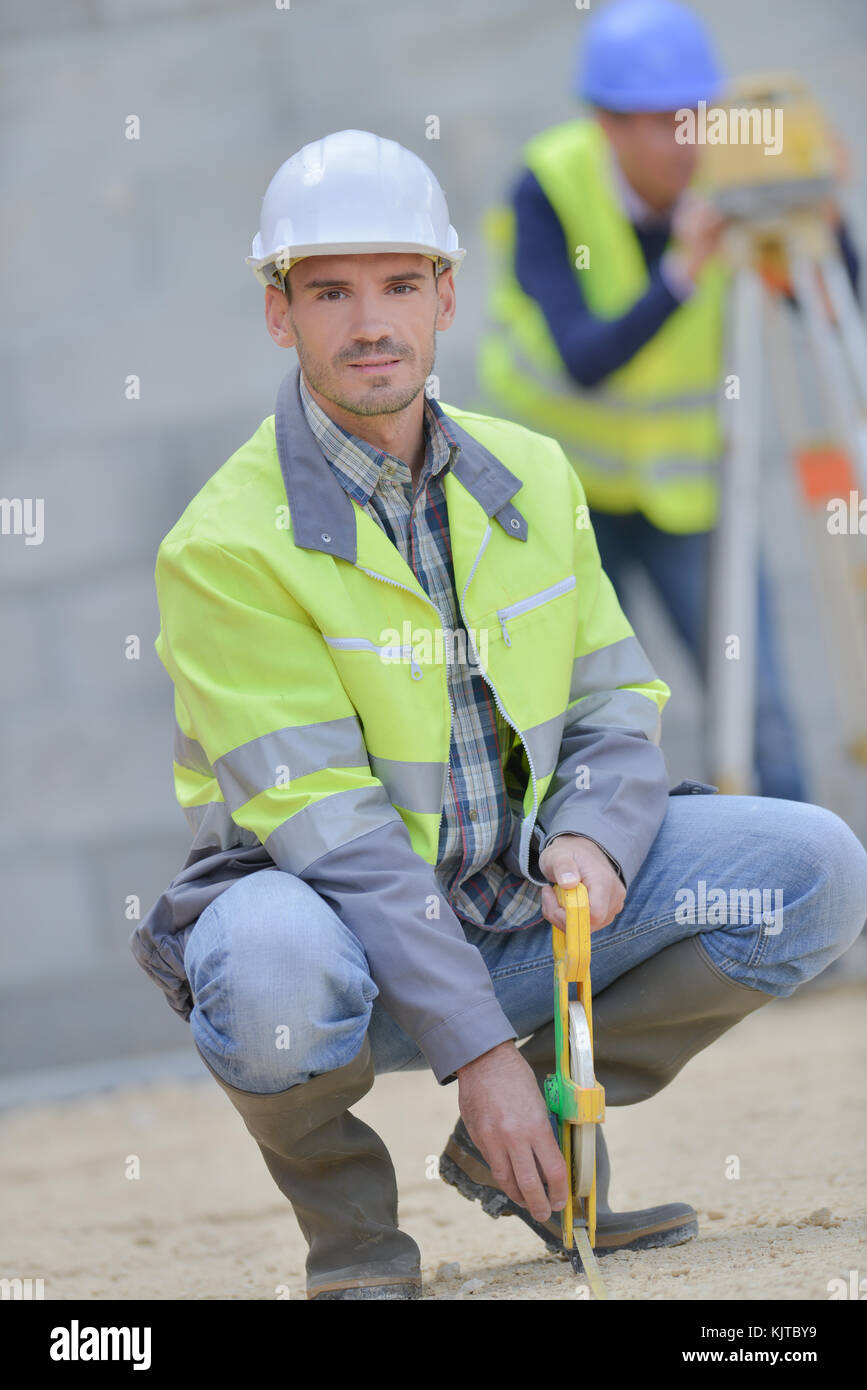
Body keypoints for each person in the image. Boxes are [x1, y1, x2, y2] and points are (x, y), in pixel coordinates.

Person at [130, 129, 867, 1300]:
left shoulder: (530, 474)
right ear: (281, 313)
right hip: (343, 954)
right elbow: (335, 830)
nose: (370, 322)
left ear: (446, 297)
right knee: (267, 971)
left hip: (517, 908)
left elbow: (618, 699)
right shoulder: (223, 545)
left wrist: (599, 830)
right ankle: (357, 1239)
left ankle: (530, 1119)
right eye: (331, 291)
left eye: (399, 285)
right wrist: (475, 1048)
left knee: (815, 867)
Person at [477, 0, 859, 803]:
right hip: (562, 505)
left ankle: (791, 888)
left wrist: (820, 217)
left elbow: (830, 306)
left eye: (698, 115)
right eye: (663, 122)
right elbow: (584, 359)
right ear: (608, 124)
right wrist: (680, 274)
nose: (689, 139)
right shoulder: (549, 186)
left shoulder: (731, 173)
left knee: (761, 716)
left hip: (690, 500)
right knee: (578, 722)